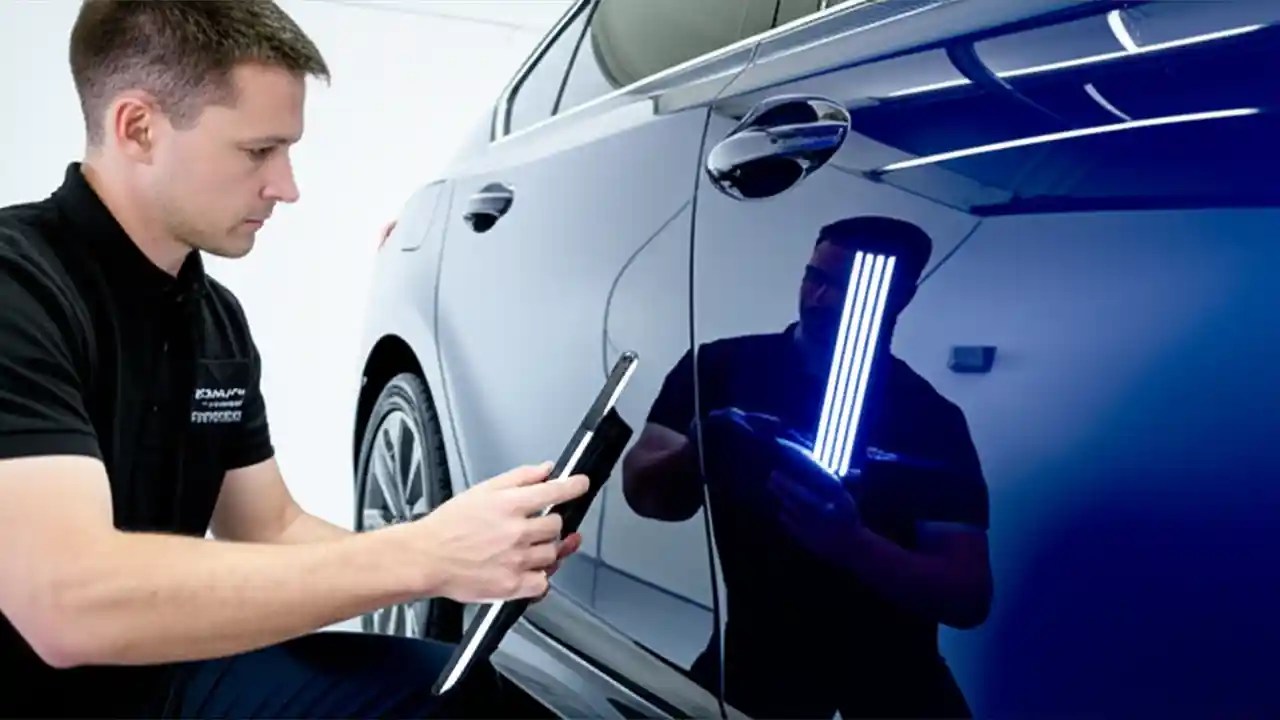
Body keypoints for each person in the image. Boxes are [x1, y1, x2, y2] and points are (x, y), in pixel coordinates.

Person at [0, 1, 589, 717]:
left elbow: (270, 527)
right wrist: (421, 557)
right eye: (258, 151)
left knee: (456, 694)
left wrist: (458, 556)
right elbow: (67, 604)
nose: (287, 185)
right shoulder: (18, 288)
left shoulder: (213, 319)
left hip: (157, 676)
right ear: (138, 127)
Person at [622, 216, 994, 718]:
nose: (819, 298)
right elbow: (646, 497)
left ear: (899, 297)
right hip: (756, 662)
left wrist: (852, 544)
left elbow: (968, 595)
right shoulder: (720, 368)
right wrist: (700, 451)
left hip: (894, 676)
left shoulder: (930, 419)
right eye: (814, 277)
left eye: (844, 288)